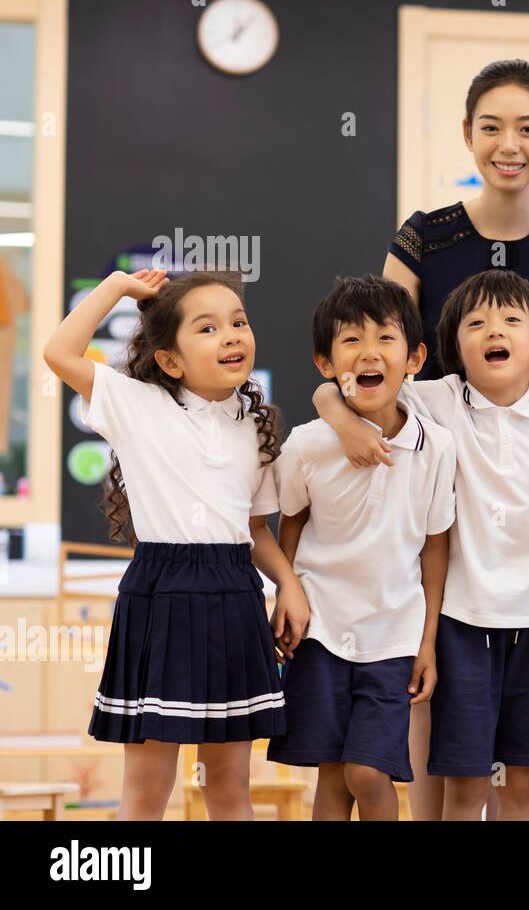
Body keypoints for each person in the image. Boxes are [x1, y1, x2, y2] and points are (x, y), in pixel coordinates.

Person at [314, 269, 529, 820]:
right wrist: (341, 419)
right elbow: (342, 381)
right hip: (462, 619)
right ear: (450, 348)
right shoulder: (435, 399)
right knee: (465, 786)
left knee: (521, 787)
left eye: (511, 321)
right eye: (475, 323)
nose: (493, 331)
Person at [43, 268, 307, 820]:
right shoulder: (134, 403)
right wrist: (116, 287)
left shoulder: (252, 427)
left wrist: (288, 585)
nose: (232, 335)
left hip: (235, 595)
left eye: (238, 321)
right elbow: (60, 354)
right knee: (147, 788)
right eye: (208, 328)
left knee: (231, 786)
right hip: (160, 595)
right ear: (170, 360)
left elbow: (255, 531)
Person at [267, 277, 454, 820]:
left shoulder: (436, 447)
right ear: (326, 362)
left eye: (386, 339)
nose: (369, 352)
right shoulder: (306, 445)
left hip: (393, 635)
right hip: (321, 630)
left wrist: (427, 642)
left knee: (367, 771)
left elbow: (435, 549)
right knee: (331, 773)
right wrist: (289, 592)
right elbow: (290, 527)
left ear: (415, 357)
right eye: (351, 340)